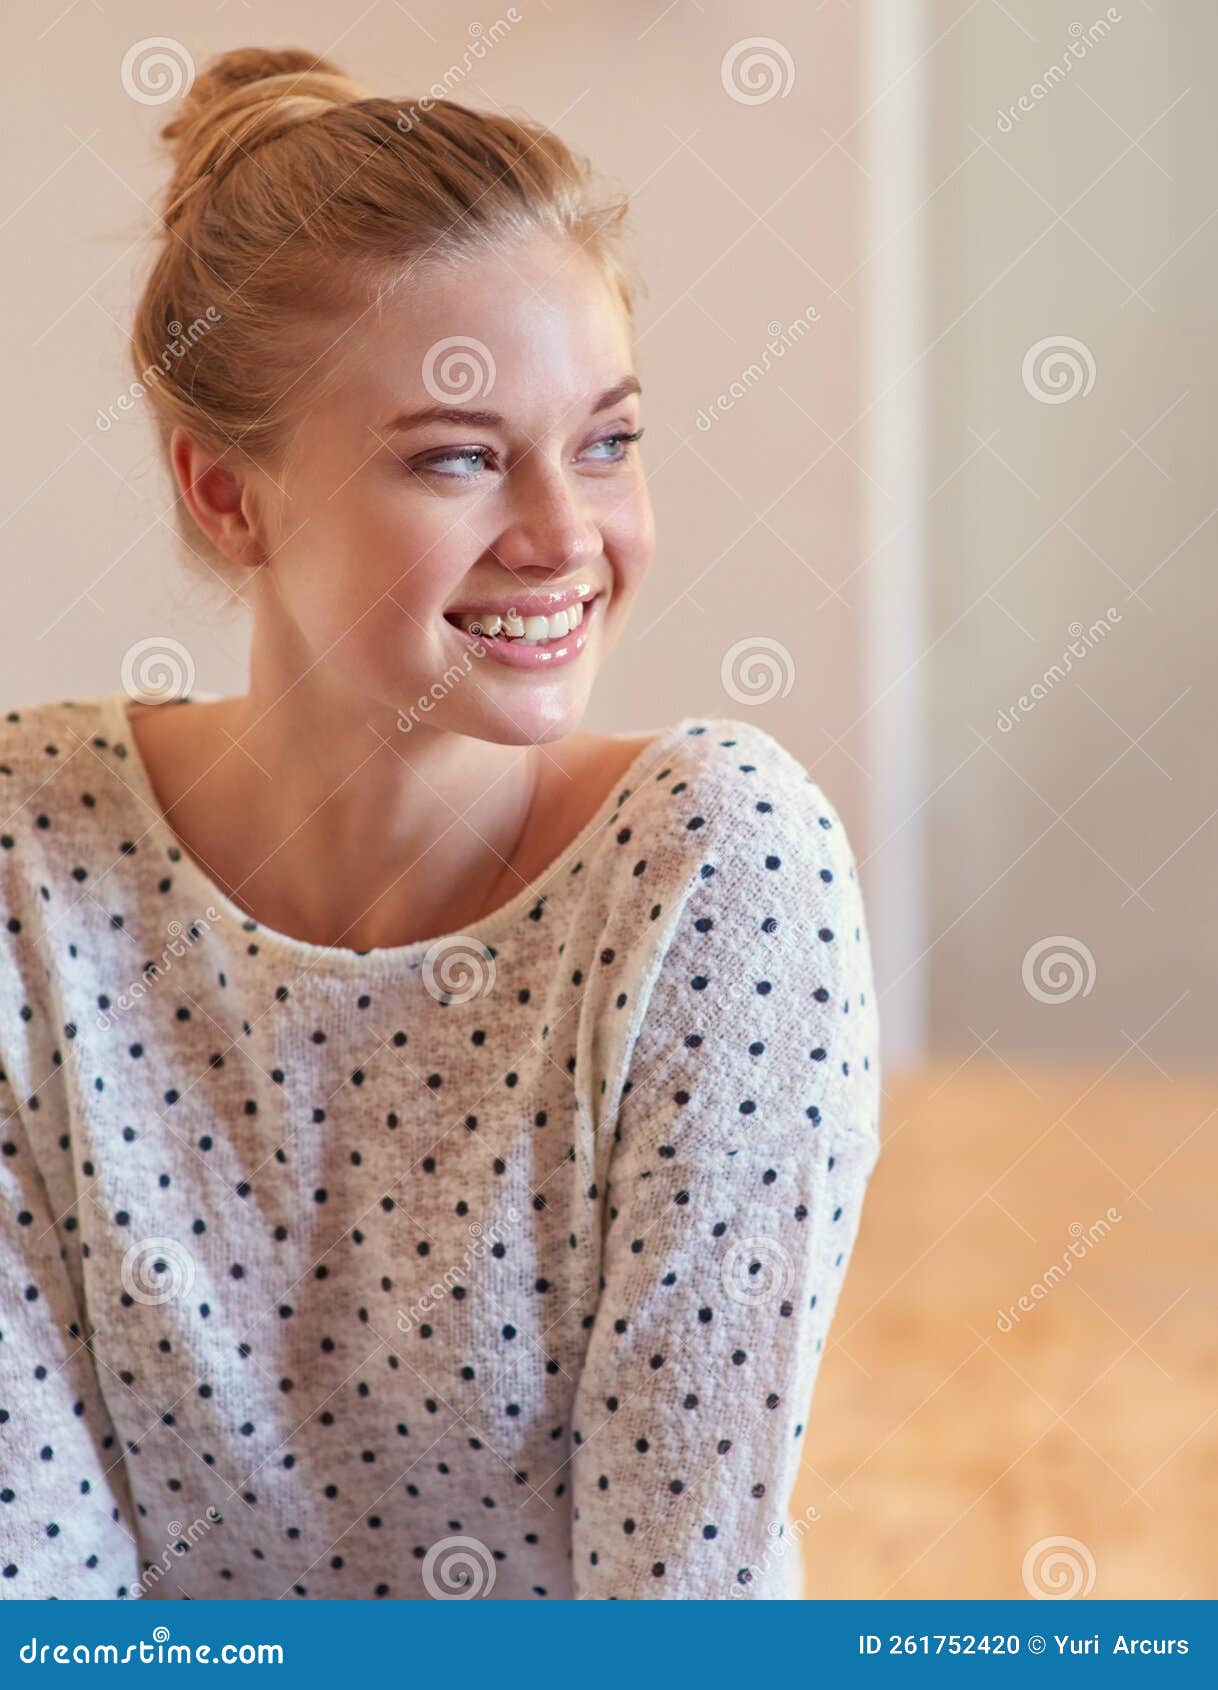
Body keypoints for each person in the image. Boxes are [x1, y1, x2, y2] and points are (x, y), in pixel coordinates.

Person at [0, 47, 881, 1600]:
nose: (564, 536)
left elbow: (678, 1608)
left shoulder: (715, 865)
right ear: (224, 494)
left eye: (605, 440)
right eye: (460, 457)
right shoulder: (29, 857)